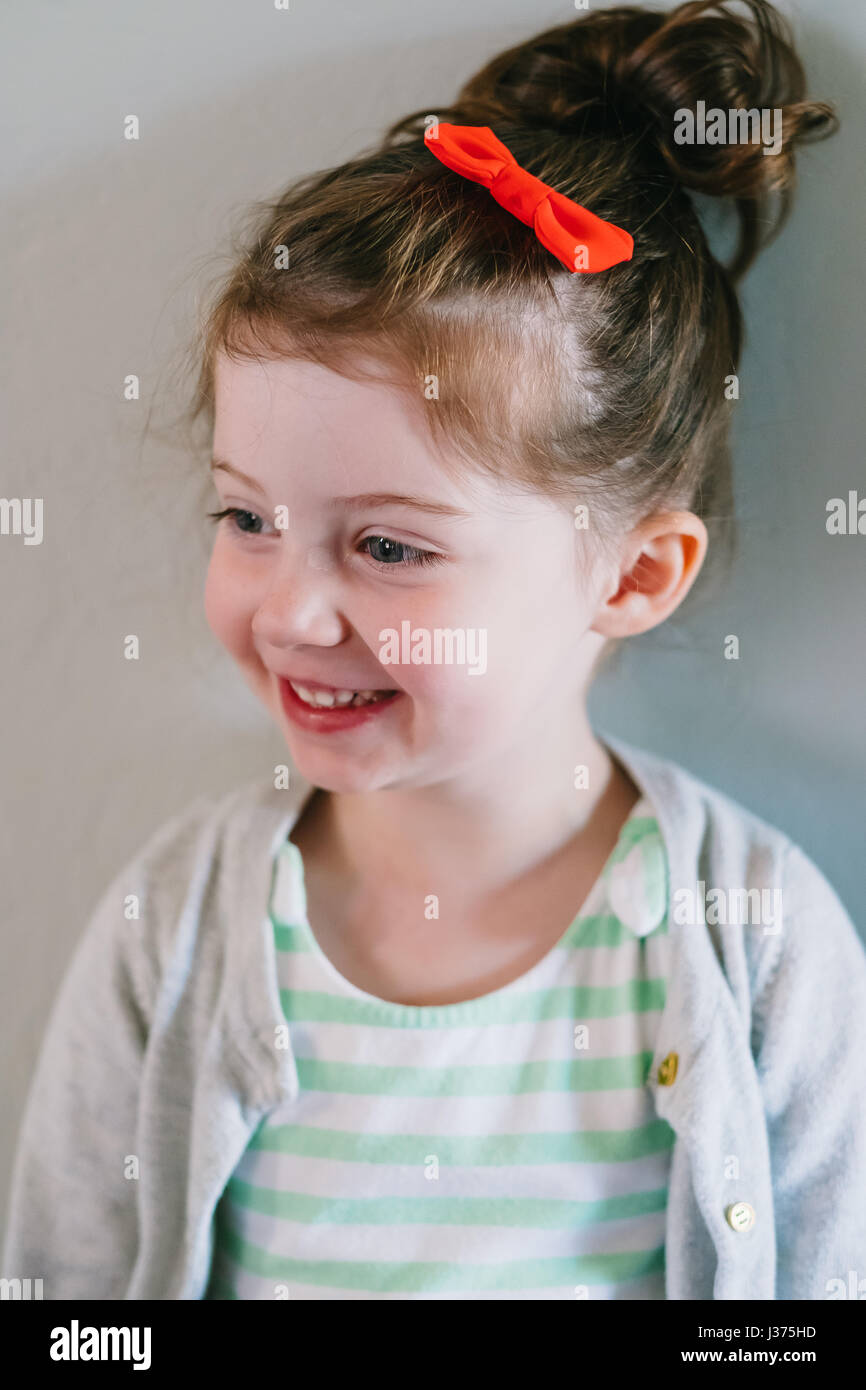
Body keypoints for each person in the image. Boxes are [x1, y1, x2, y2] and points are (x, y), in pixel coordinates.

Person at [4, 0, 865, 1301]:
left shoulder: (759, 945)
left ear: (632, 574)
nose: (291, 614)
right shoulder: (175, 930)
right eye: (247, 519)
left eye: (389, 547)